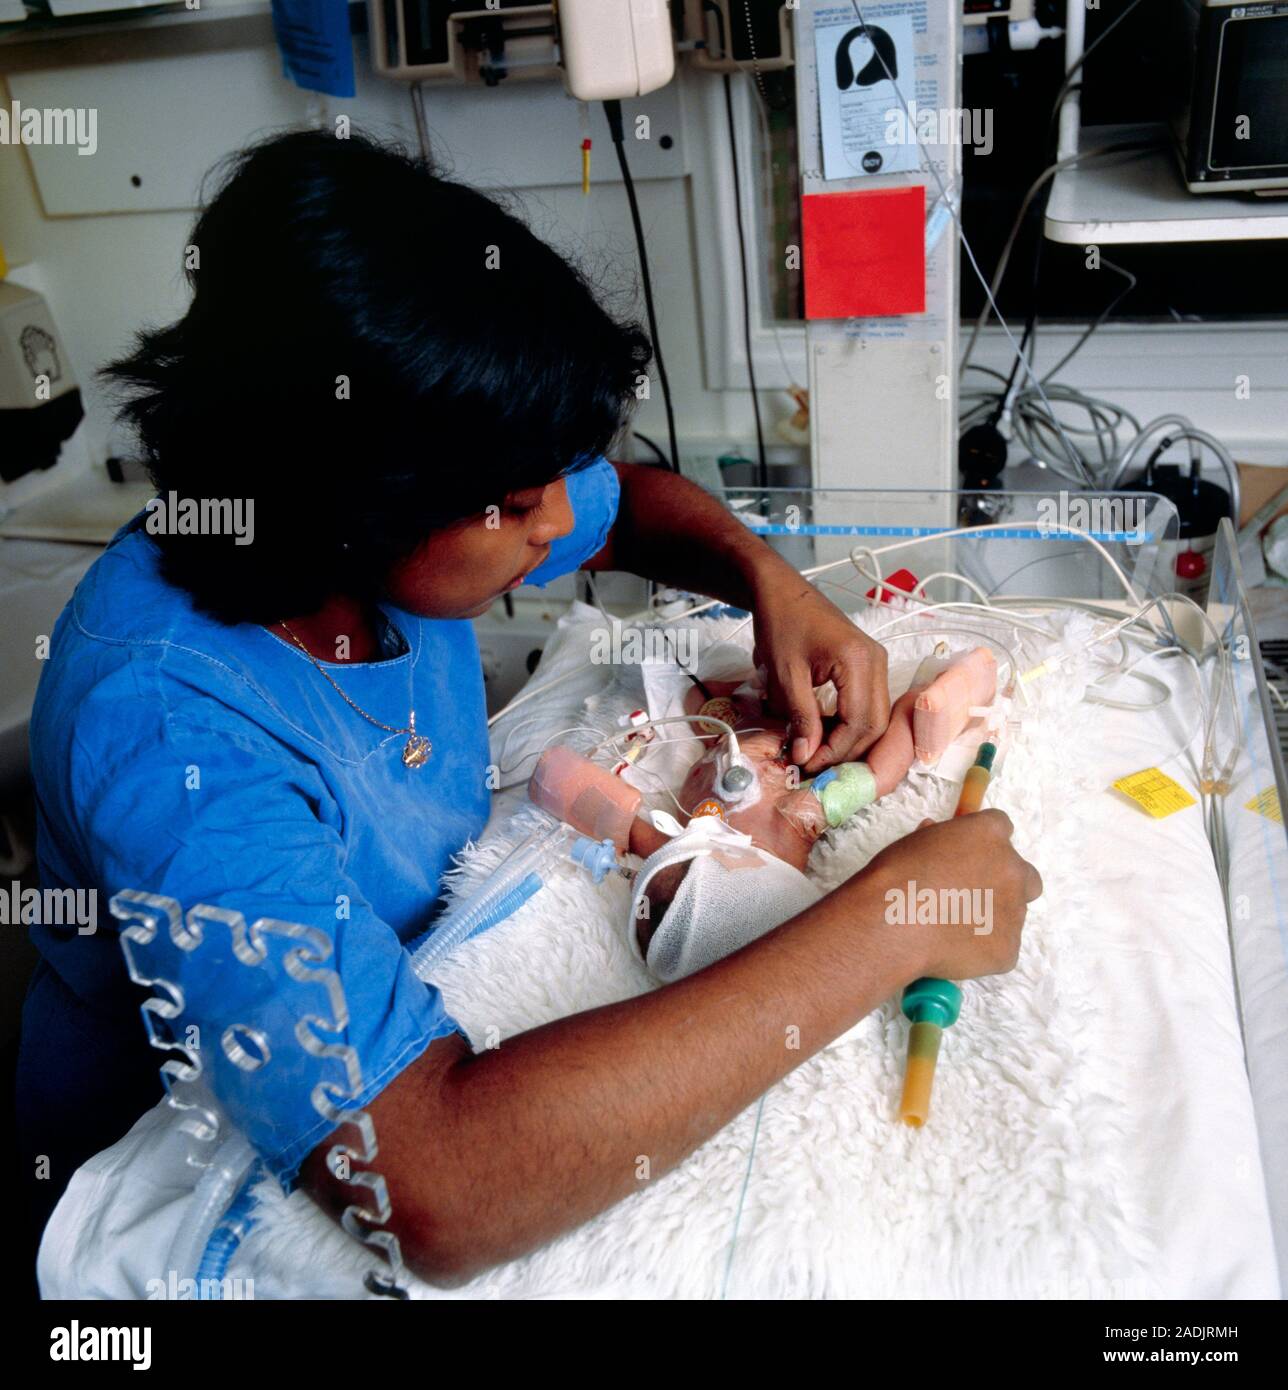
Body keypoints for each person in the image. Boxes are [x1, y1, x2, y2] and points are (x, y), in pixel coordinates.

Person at [19, 129, 1041, 1285]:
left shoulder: (368, 520)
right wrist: (890, 921)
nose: (556, 523)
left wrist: (773, 586)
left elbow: (631, 503)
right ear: (354, 497)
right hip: (162, 1153)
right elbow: (424, 1186)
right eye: (514, 502)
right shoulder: (175, 730)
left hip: (425, 964)